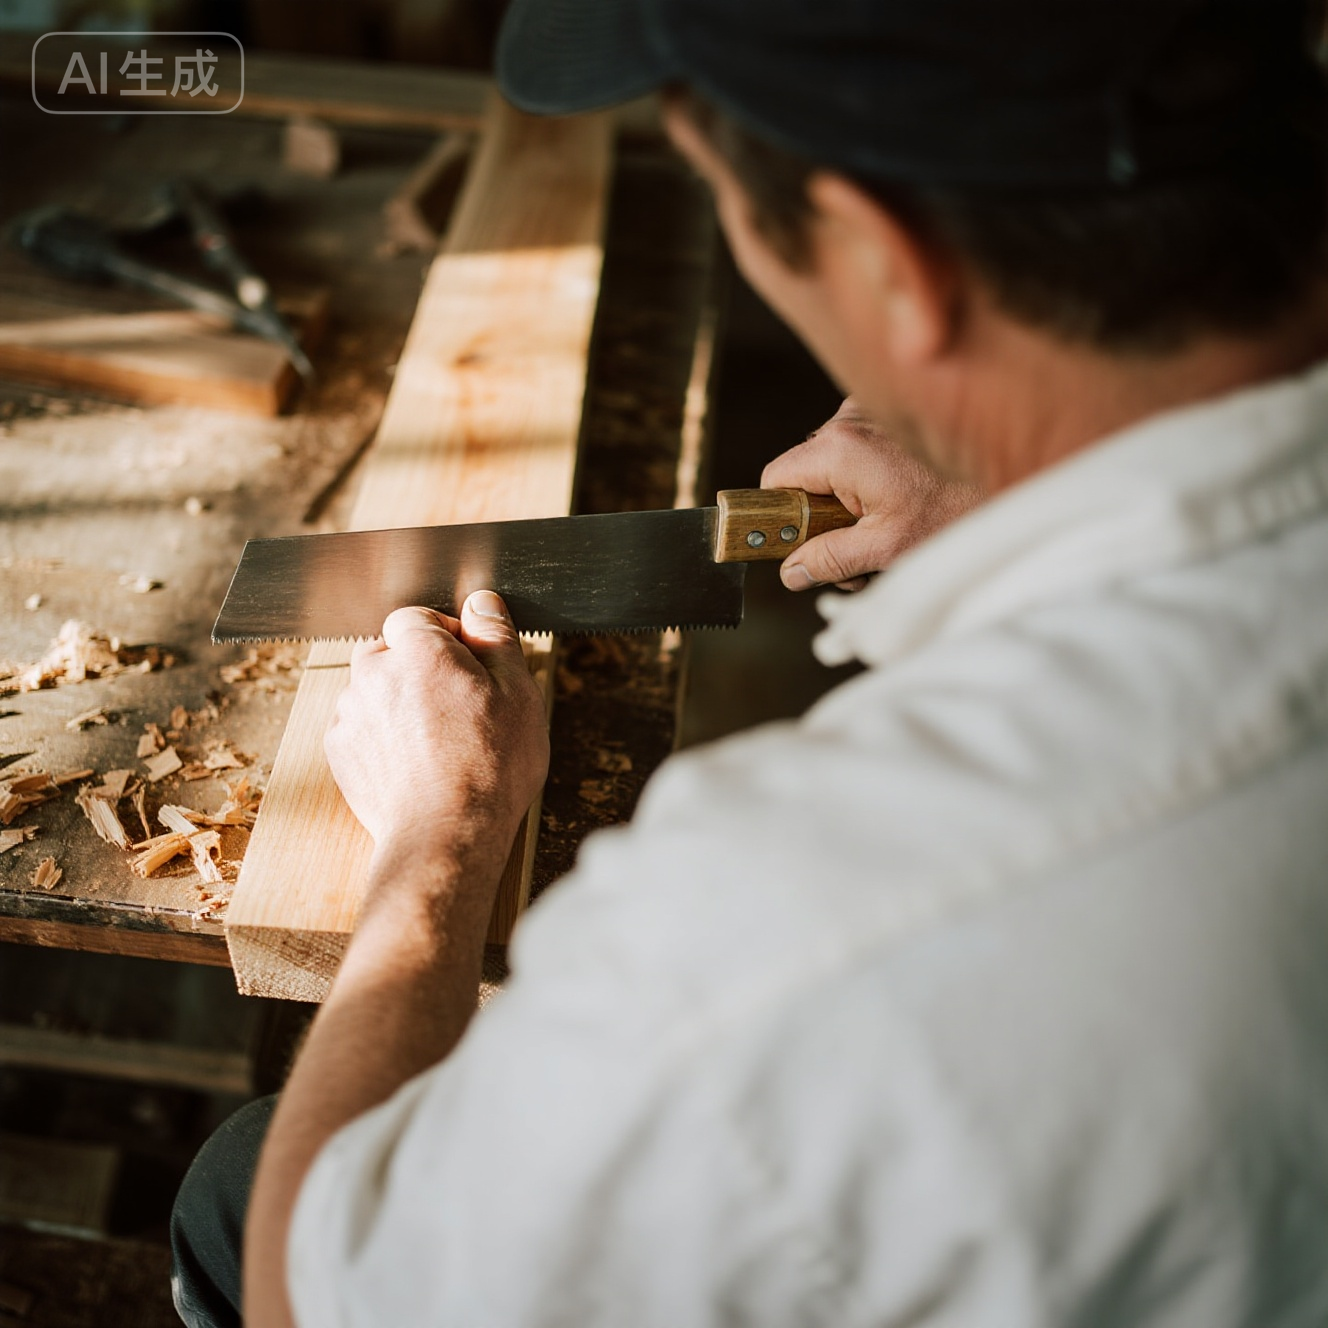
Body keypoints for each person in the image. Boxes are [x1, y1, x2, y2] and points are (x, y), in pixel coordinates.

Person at [172, 1, 1328, 1324]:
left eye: (725, 198)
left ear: (893, 265)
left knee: (242, 1195)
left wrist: (438, 839)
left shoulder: (779, 948)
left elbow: (307, 1300)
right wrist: (1019, 462)